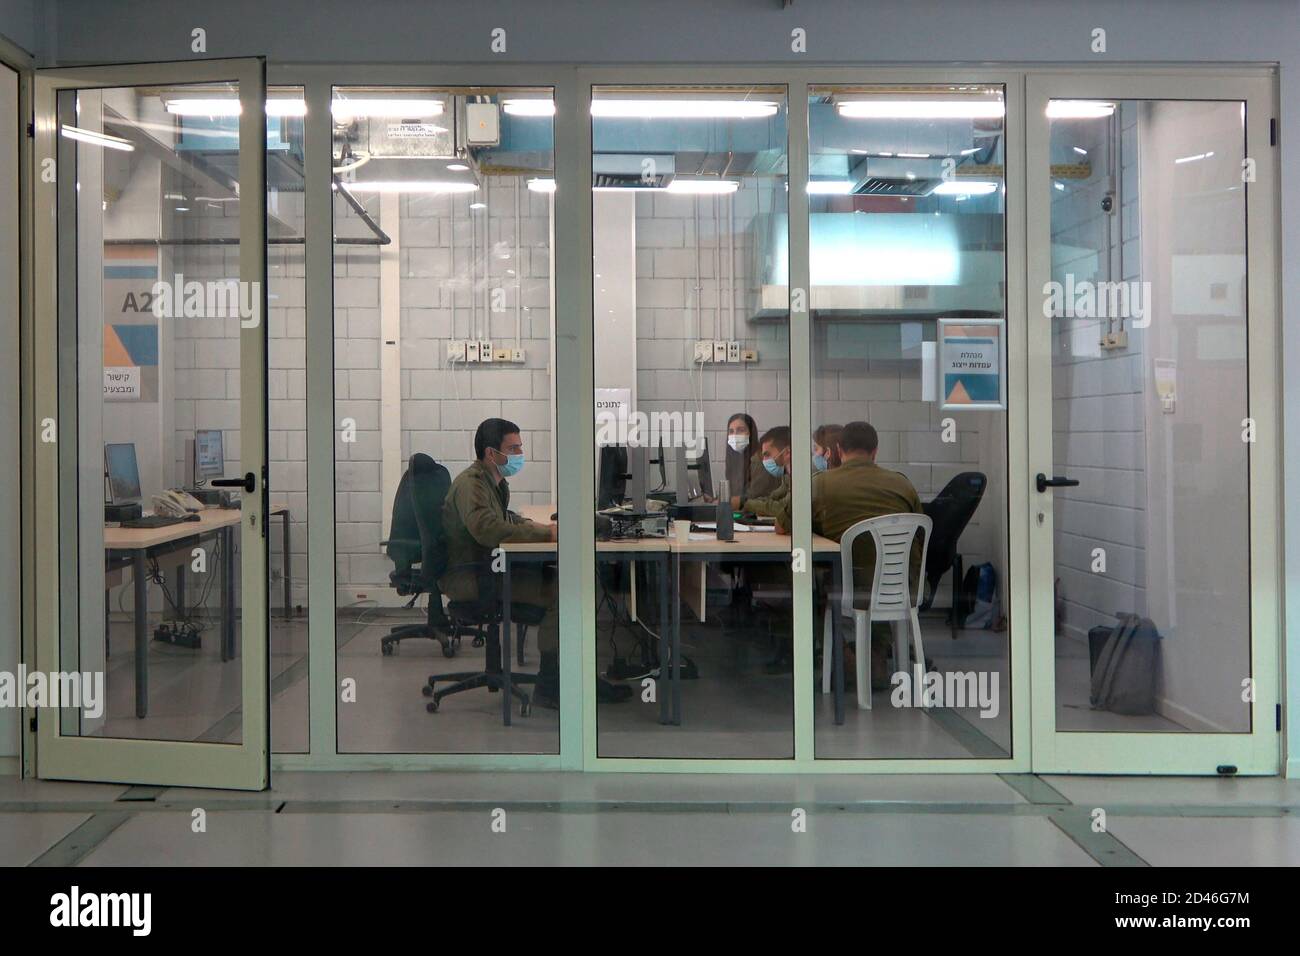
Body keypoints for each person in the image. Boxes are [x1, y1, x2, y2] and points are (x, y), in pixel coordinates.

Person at [440, 418, 631, 709]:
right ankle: (551, 684)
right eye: (512, 448)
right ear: (492, 453)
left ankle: (573, 675)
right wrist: (546, 532)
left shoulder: (492, 483)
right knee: (565, 592)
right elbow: (488, 529)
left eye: (520, 447)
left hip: (488, 567)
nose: (519, 454)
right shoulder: (471, 485)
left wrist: (529, 524)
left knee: (566, 578)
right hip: (471, 576)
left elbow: (502, 518)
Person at [777, 421, 924, 690]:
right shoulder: (903, 484)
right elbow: (919, 536)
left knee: (805, 584)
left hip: (848, 587)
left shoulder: (822, 483)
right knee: (875, 573)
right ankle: (876, 656)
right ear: (875, 452)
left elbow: (783, 525)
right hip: (903, 585)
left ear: (838, 451)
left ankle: (843, 656)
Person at [725, 412, 780, 508]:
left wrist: (726, 501)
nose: (735, 435)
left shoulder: (761, 458)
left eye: (740, 430)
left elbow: (754, 495)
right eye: (731, 431)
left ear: (751, 433)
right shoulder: (736, 459)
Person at [743, 426, 792, 517]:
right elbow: (772, 497)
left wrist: (744, 504)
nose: (764, 460)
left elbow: (783, 509)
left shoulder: (803, 476)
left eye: (767, 454)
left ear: (787, 452)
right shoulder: (787, 476)